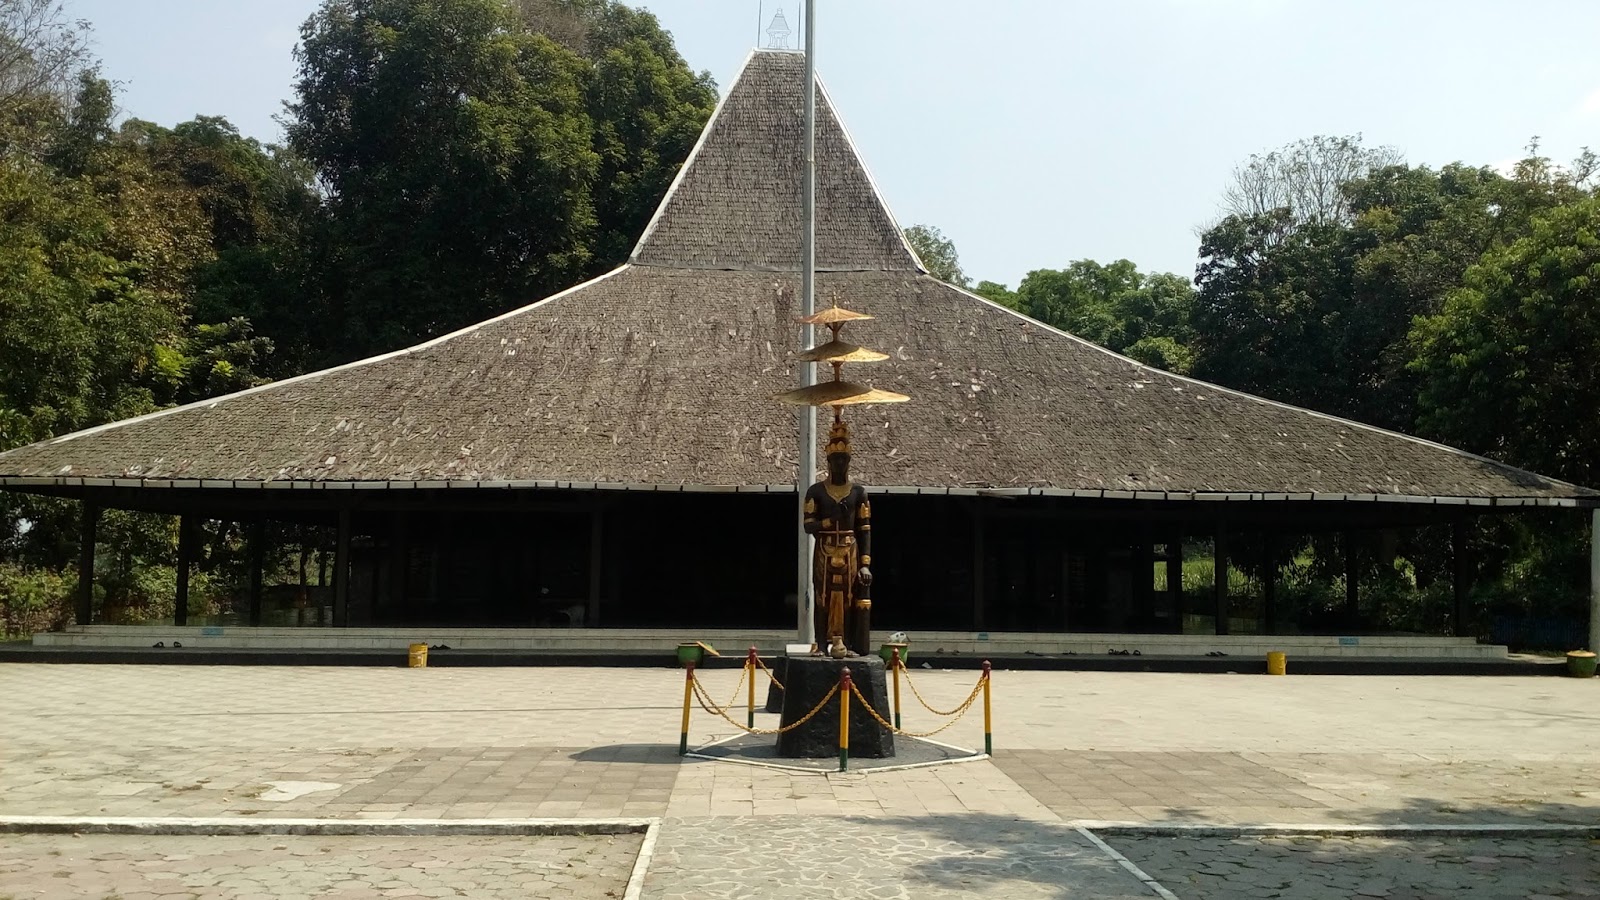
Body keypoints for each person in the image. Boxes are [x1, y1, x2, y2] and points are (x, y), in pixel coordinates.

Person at [803, 420, 873, 657]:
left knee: (850, 597)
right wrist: (831, 520)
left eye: (843, 459)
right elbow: (808, 526)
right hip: (824, 547)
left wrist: (865, 564)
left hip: (849, 548)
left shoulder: (858, 493)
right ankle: (821, 644)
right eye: (836, 460)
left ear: (849, 461)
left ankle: (849, 644)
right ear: (829, 462)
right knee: (823, 597)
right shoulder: (816, 491)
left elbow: (864, 529)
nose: (840, 464)